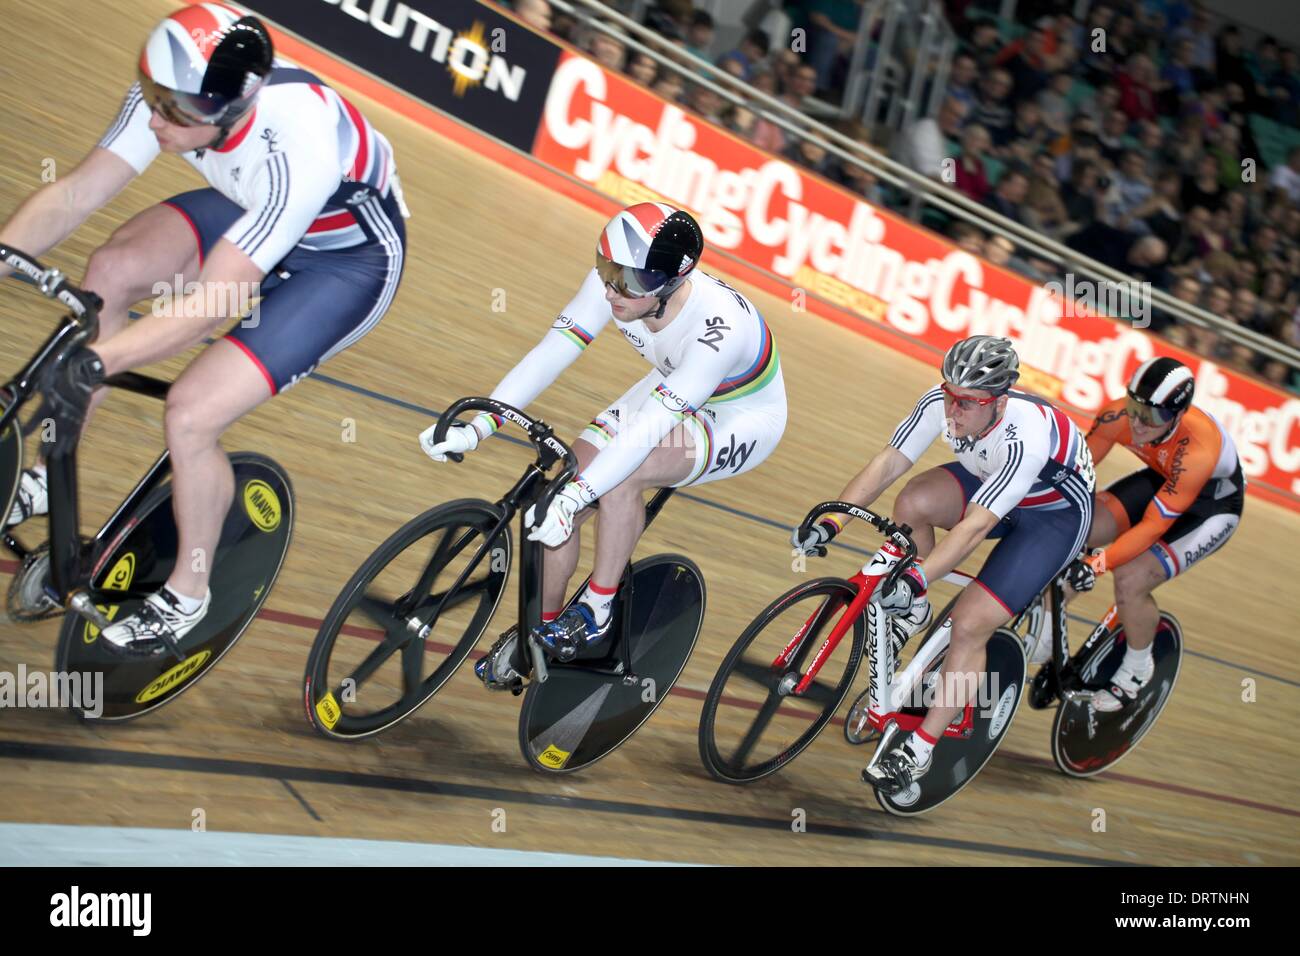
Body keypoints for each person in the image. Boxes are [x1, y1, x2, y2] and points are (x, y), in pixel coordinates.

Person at [0, 4, 408, 654]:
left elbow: (214, 305)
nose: (155, 120)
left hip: (341, 266)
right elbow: (75, 195)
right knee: (110, 269)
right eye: (154, 99)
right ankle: (52, 472)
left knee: (190, 413)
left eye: (175, 114)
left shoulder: (295, 140)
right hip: (253, 210)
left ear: (229, 111)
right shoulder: (176, 93)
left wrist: (94, 363)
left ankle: (188, 594)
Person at [421, 203, 787, 688]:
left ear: (668, 283)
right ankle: (542, 635)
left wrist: (580, 493)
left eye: (628, 281)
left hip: (739, 415)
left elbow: (645, 434)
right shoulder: (620, 285)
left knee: (622, 477)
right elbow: (553, 349)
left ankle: (596, 608)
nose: (612, 289)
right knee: (563, 495)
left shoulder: (717, 330)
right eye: (606, 270)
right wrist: (483, 423)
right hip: (673, 385)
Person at [792, 336, 1095, 793]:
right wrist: (833, 517)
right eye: (950, 395)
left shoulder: (1024, 438)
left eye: (968, 403)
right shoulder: (946, 400)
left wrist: (915, 577)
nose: (953, 412)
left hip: (1053, 517)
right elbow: (889, 462)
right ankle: (915, 614)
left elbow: (973, 528)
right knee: (913, 500)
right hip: (995, 481)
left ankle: (919, 750)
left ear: (999, 402)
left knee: (972, 622)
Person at [1040, 357, 1244, 711]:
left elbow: (1153, 527)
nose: (1138, 422)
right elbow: (1073, 479)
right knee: (1078, 528)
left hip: (1211, 508)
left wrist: (1095, 564)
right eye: (1135, 408)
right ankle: (1045, 625)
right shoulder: (1117, 416)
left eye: (1152, 417)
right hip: (1163, 480)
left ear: (1178, 415)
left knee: (1130, 578)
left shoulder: (1198, 448)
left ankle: (1136, 668)